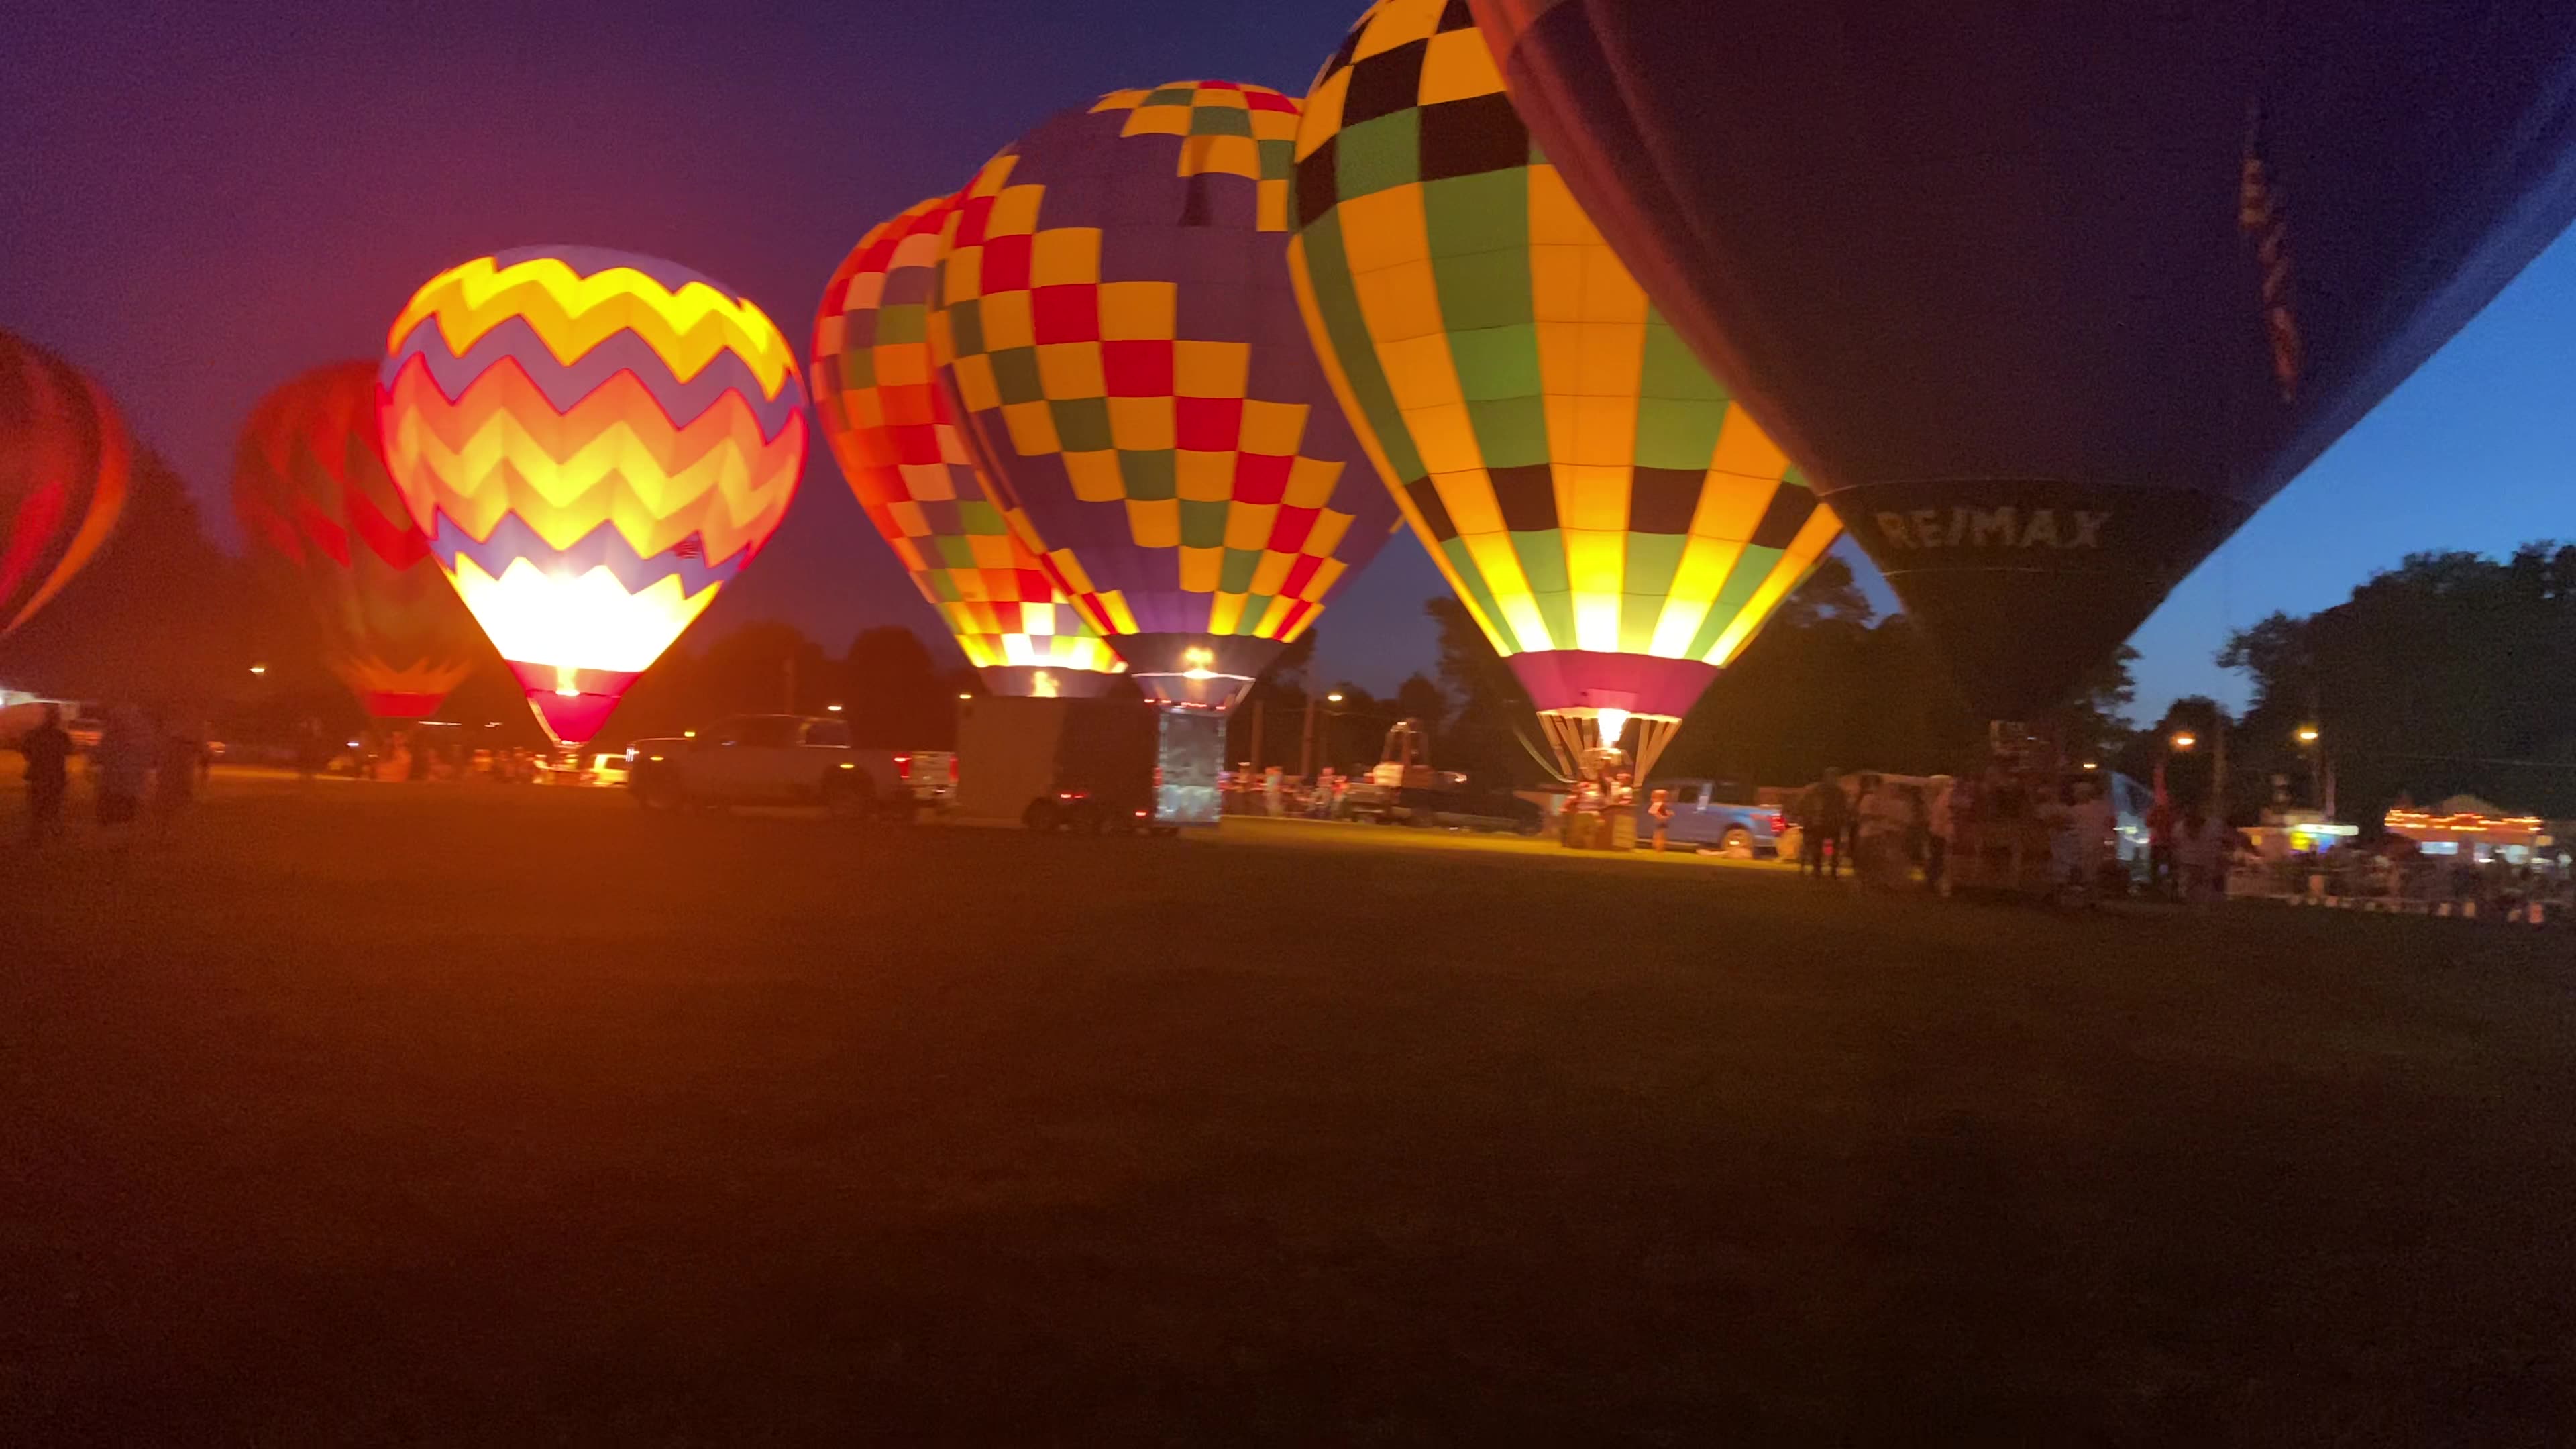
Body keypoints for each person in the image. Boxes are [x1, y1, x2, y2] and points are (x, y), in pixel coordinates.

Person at [92, 704, 153, 836]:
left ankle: (112, 840)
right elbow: (147, 761)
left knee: (111, 821)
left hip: (113, 785)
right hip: (128, 787)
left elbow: (99, 757)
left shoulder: (110, 738)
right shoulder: (140, 739)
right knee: (124, 820)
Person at [17, 704, 73, 845]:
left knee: (37, 807)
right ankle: (55, 834)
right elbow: (70, 750)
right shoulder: (61, 736)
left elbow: (25, 750)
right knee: (54, 807)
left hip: (38, 775)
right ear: (57, 719)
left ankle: (37, 836)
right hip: (55, 776)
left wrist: (35, 758)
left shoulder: (34, 734)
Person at [1808, 769, 1849, 880]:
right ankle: (1818, 870)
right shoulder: (1820, 790)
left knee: (1833, 848)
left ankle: (1832, 871)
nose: (1833, 779)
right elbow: (1814, 804)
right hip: (1824, 820)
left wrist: (1842, 819)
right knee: (1819, 847)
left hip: (1833, 821)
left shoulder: (1838, 792)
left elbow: (1843, 807)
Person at [1923, 774, 1955, 896]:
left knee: (1939, 860)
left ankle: (1935, 884)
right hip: (1940, 833)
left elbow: (1943, 817)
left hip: (1941, 834)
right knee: (1938, 860)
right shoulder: (1944, 797)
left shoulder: (1945, 797)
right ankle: (1935, 884)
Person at [1646, 786, 1673, 852]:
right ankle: (1658, 847)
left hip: (1662, 822)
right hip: (1660, 822)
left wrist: (1668, 814)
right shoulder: (1658, 804)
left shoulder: (1662, 804)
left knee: (1661, 834)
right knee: (1659, 834)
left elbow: (1663, 811)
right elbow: (1652, 811)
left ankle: (1660, 847)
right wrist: (1660, 817)